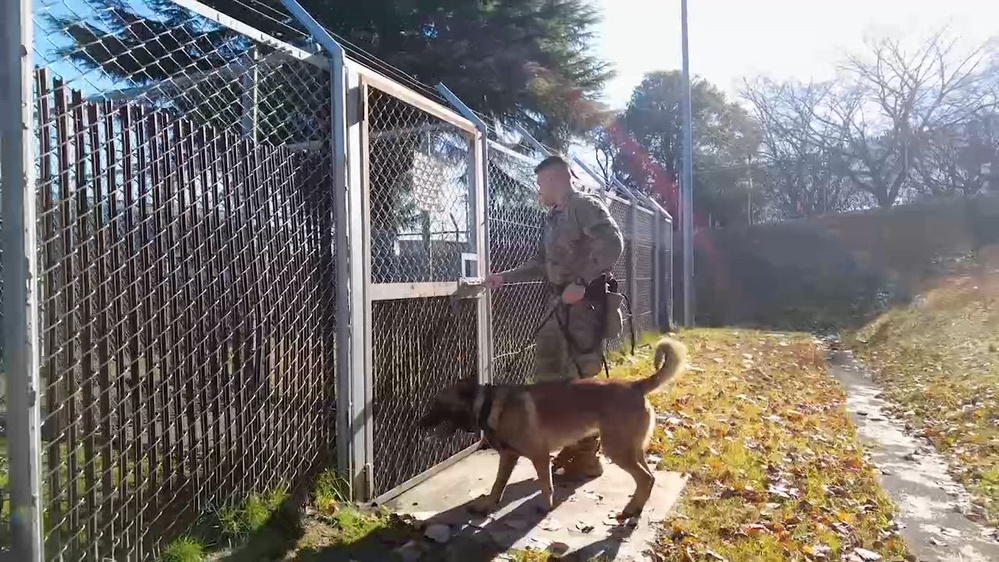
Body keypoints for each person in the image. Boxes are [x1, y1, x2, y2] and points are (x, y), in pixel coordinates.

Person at [485, 155, 624, 480]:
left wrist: (581, 281)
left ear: (554, 180)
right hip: (557, 303)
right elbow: (540, 263)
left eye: (539, 184)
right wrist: (504, 278)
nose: (538, 191)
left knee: (582, 379)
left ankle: (588, 457)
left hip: (583, 305)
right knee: (550, 376)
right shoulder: (552, 218)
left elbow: (612, 243)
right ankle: (567, 445)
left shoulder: (584, 206)